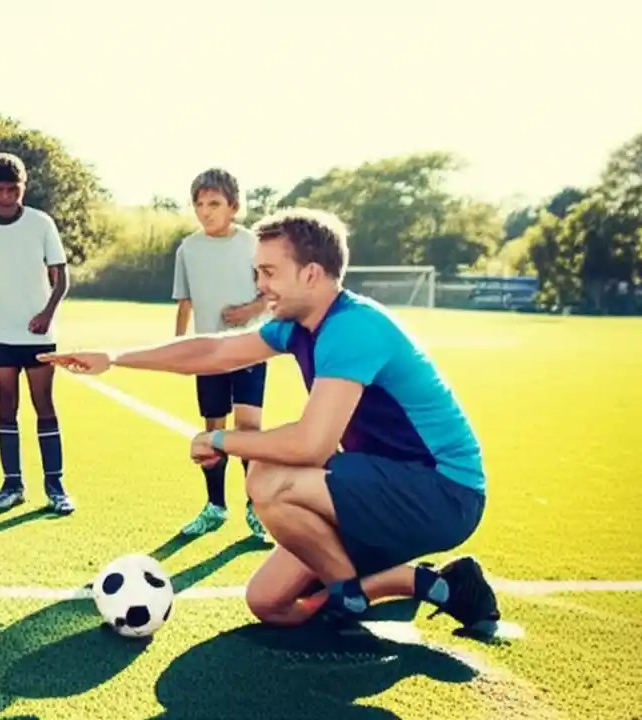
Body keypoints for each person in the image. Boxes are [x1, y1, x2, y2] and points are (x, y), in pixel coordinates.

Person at [39, 207, 501, 633]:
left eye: (269, 271)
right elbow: (216, 351)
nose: (259, 284)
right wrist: (116, 358)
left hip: (443, 493)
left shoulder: (353, 327)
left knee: (268, 477)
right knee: (269, 603)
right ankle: (433, 585)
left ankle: (348, 596)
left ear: (312, 273)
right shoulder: (298, 325)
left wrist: (219, 439)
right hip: (379, 486)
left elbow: (310, 446)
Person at [0, 152, 74, 515]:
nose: (6, 197)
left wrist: (47, 314)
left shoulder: (41, 223)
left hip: (39, 335)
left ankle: (55, 486)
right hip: (1, 334)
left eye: (13, 189)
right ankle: (12, 484)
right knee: (5, 407)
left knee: (44, 406)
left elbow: (61, 278)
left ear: (23, 188)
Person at [172, 168, 269, 540]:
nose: (205, 211)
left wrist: (248, 312)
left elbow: (271, 294)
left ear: (233, 206)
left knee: (249, 431)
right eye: (199, 204)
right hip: (208, 354)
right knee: (214, 432)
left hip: (249, 350)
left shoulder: (253, 244)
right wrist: (178, 349)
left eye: (214, 204)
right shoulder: (188, 248)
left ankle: (255, 508)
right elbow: (184, 303)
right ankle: (215, 507)